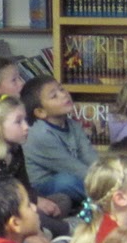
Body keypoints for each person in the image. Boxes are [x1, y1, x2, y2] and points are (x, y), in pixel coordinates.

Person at [20, 76, 97, 209]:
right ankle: (104, 199)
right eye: (54, 96)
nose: (64, 94)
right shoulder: (39, 135)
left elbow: (90, 157)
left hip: (75, 175)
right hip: (44, 187)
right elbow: (72, 167)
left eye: (61, 89)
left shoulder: (73, 125)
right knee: (66, 181)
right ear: (40, 112)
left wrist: (108, 174)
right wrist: (105, 183)